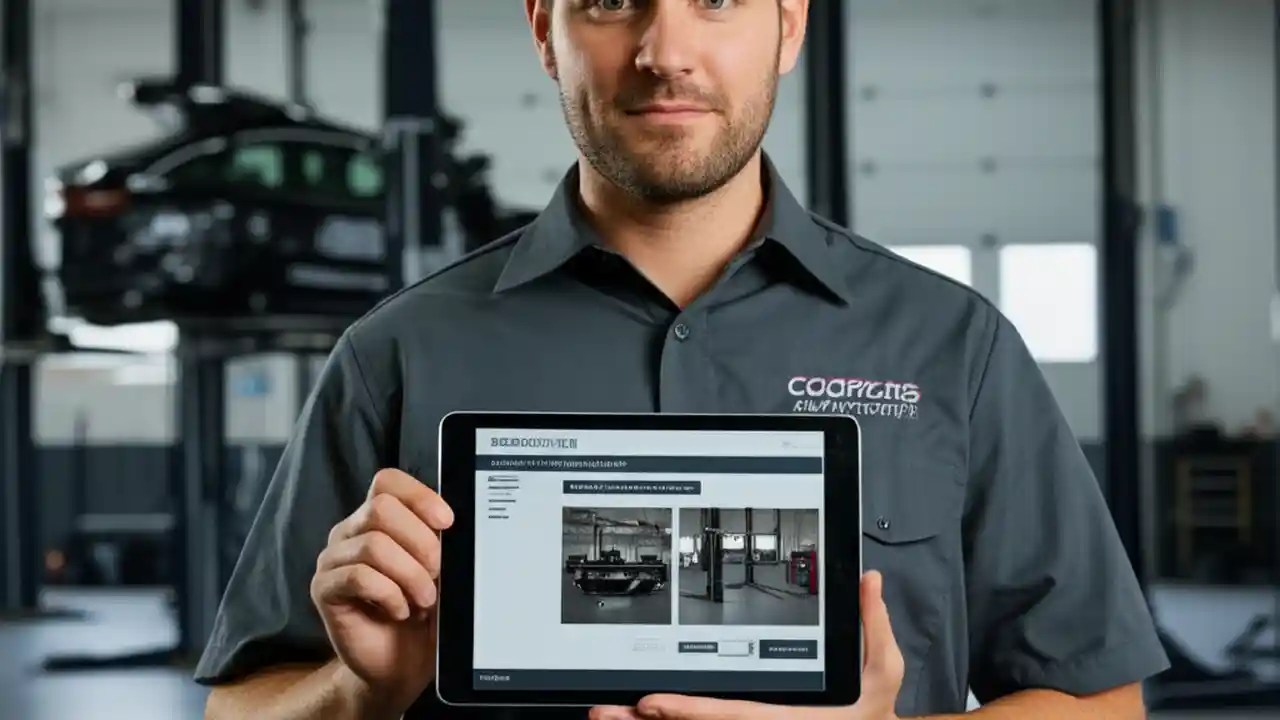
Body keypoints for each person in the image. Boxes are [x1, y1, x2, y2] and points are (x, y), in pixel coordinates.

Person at [197, 0, 1170, 718]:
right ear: (543, 30)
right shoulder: (398, 353)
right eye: (612, 4)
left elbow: (1094, 701)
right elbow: (242, 705)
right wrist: (362, 690)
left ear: (789, 26)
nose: (664, 53)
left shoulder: (951, 347)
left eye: (714, 2)